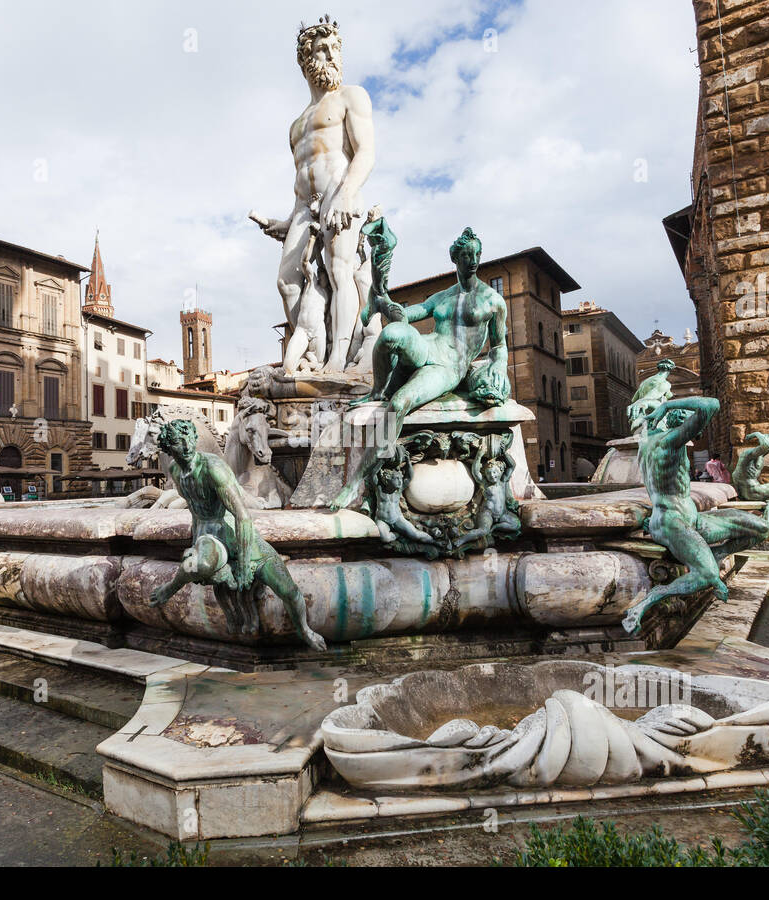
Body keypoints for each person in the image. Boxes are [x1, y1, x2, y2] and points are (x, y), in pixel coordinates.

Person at [329, 227, 509, 510]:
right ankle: (377, 391)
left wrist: (499, 365)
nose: (473, 260)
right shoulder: (442, 296)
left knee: (399, 403)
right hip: (428, 345)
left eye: (476, 254)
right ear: (456, 259)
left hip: (449, 366)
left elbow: (499, 346)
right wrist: (383, 301)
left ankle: (357, 482)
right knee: (392, 334)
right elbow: (409, 315)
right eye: (466, 255)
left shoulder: (493, 301)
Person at [253, 16, 375, 373]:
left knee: (340, 273)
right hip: (305, 208)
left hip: (341, 194)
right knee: (287, 281)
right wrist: (286, 222)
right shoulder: (297, 125)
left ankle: (339, 359)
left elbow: (366, 153)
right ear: (306, 61)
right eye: (323, 50)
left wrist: (346, 194)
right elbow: (302, 179)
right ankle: (312, 351)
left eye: (336, 48)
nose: (332, 56)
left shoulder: (352, 97)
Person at [148, 419, 326, 652]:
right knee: (197, 565)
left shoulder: (213, 468)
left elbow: (243, 516)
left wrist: (243, 563)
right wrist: (195, 543)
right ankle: (168, 589)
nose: (187, 445)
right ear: (169, 448)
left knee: (289, 591)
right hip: (210, 536)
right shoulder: (175, 472)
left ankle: (304, 629)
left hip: (241, 535)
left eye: (189, 439)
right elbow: (194, 511)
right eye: (179, 443)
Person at [622, 397, 769, 633]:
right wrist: (666, 405)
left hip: (692, 518)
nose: (689, 422)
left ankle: (715, 554)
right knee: (707, 574)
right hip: (672, 522)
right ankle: (650, 599)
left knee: (761, 528)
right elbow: (711, 405)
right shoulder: (669, 442)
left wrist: (652, 408)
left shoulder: (649, 441)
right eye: (682, 416)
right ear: (669, 419)